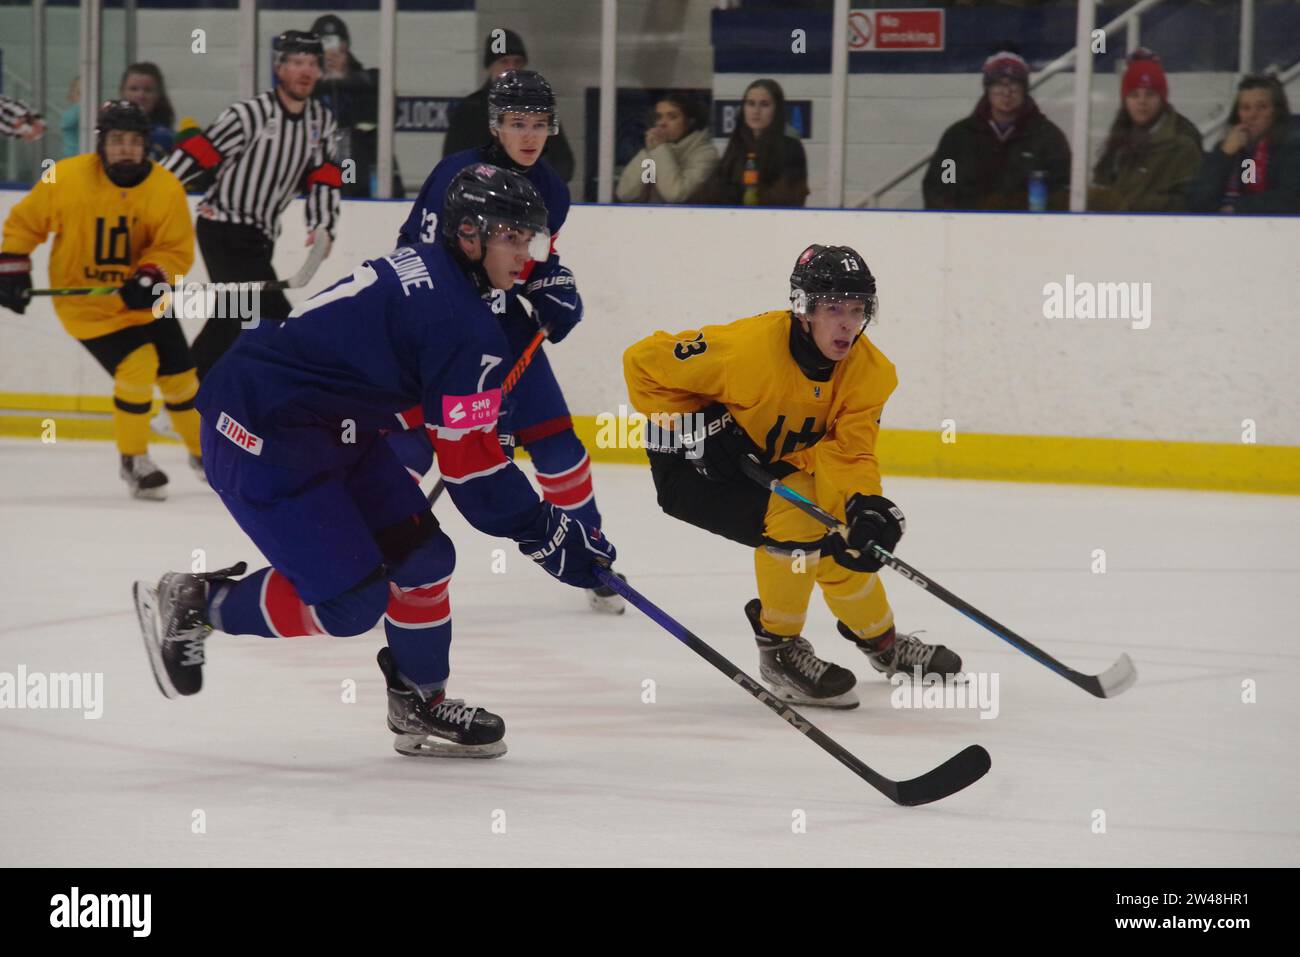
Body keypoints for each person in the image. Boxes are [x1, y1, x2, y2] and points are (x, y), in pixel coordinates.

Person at [132, 165, 617, 760]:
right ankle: (197, 604)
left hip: (330, 425)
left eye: (530, 241)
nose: (524, 254)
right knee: (352, 602)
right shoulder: (460, 323)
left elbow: (441, 360)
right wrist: (549, 536)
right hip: (260, 433)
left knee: (425, 559)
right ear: (469, 234)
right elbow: (472, 473)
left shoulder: (436, 266)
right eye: (511, 239)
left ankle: (420, 701)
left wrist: (530, 290)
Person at [623, 244, 961, 709]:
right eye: (834, 309)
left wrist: (863, 503)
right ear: (803, 308)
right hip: (693, 466)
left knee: (843, 531)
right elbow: (641, 362)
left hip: (771, 464)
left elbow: (848, 452)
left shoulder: (871, 373)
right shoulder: (746, 349)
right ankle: (777, 650)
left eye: (858, 310)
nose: (847, 324)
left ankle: (882, 643)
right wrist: (696, 424)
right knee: (804, 519)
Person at [396, 69, 627, 614]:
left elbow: (532, 259)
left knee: (559, 446)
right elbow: (419, 257)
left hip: (507, 332)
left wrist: (551, 284)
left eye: (540, 124)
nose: (529, 135)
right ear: (495, 125)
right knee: (409, 447)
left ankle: (588, 553)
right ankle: (373, 546)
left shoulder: (550, 187)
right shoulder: (455, 175)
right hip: (443, 334)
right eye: (517, 123)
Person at [0, 100, 204, 499]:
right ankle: (134, 461)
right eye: (116, 140)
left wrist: (152, 275)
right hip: (88, 307)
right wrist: (12, 266)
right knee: (138, 366)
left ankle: (206, 455)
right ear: (101, 144)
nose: (125, 148)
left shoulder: (165, 188)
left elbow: (175, 250)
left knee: (181, 380)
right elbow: (26, 223)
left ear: (146, 144)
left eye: (133, 140)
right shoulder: (68, 178)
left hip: (143, 301)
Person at [162, 30, 341, 378]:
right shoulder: (249, 115)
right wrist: (149, 195)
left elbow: (325, 177)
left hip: (260, 239)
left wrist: (323, 225)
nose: (305, 71)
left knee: (236, 315)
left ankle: (190, 397)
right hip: (222, 228)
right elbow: (197, 155)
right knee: (263, 316)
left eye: (312, 63)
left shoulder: (321, 122)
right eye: (296, 63)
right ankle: (189, 398)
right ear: (279, 68)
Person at [923, 48, 1071, 211]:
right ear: (987, 89)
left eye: (1014, 84)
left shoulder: (1049, 138)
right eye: (998, 84)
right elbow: (941, 186)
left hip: (1028, 231)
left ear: (1024, 89)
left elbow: (1062, 191)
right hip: (969, 230)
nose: (1006, 93)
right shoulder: (958, 139)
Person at [442, 28, 575, 182]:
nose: (511, 68)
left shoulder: (539, 108)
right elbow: (452, 163)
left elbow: (564, 162)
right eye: (504, 61)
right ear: (490, 66)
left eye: (517, 62)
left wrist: (541, 183)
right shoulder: (469, 110)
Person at [1088, 49, 1203, 213]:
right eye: (1134, 95)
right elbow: (1102, 185)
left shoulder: (1183, 142)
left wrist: (1132, 204)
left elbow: (1191, 202)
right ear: (1125, 100)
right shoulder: (1119, 137)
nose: (1142, 102)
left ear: (1161, 99)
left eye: (1150, 94)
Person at [309, 14, 403, 198]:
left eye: (336, 45)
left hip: (359, 168)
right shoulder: (307, 87)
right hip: (317, 173)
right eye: (324, 46)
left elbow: (389, 108)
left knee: (350, 176)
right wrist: (321, 80)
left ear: (345, 47)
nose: (330, 54)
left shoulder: (368, 83)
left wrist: (343, 78)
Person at [1189, 74, 1300, 215]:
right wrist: (1224, 155)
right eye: (1245, 108)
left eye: (1261, 107)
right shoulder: (1232, 149)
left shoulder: (1293, 148)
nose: (1252, 115)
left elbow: (1290, 199)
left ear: (1276, 111)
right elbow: (1198, 201)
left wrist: (1237, 208)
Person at [694, 79, 808, 207]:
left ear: (777, 110)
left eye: (764, 104)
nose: (756, 111)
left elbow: (788, 197)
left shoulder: (791, 148)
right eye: (751, 103)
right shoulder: (737, 143)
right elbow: (710, 191)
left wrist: (740, 192)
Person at [616, 92, 719, 204]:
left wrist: (660, 150)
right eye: (658, 117)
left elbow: (675, 194)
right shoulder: (656, 151)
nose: (662, 123)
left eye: (672, 117)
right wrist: (648, 153)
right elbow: (625, 194)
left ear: (690, 122)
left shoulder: (706, 154)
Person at [119, 62, 176, 162]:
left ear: (158, 95)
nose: (141, 96)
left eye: (148, 90)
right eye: (134, 89)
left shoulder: (164, 137)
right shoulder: (109, 130)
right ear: (122, 92)